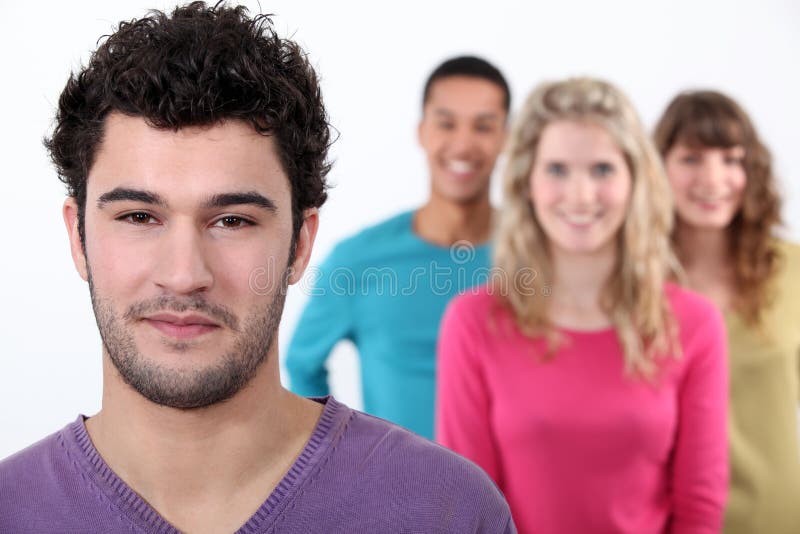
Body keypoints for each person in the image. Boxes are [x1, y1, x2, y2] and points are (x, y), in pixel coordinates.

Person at [0, 4, 516, 533]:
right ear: (77, 237)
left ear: (299, 244)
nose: (183, 275)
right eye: (138, 216)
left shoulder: (449, 510)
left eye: (231, 221)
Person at [436, 78, 729, 533]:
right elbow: (470, 507)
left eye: (602, 170)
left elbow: (699, 508)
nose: (580, 195)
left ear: (635, 180)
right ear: (526, 183)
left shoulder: (694, 323)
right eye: (556, 170)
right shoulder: (474, 322)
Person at [286, 55, 510, 439]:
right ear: (422, 131)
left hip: (518, 498)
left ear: (507, 137)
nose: (463, 143)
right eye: (446, 123)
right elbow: (302, 364)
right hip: (401, 495)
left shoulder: (540, 256)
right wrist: (344, 454)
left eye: (484, 126)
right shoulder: (359, 260)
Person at [654, 90, 800, 534]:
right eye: (692, 158)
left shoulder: (792, 270)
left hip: (778, 515)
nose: (713, 178)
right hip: (665, 519)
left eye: (732, 159)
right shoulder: (631, 282)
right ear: (657, 169)